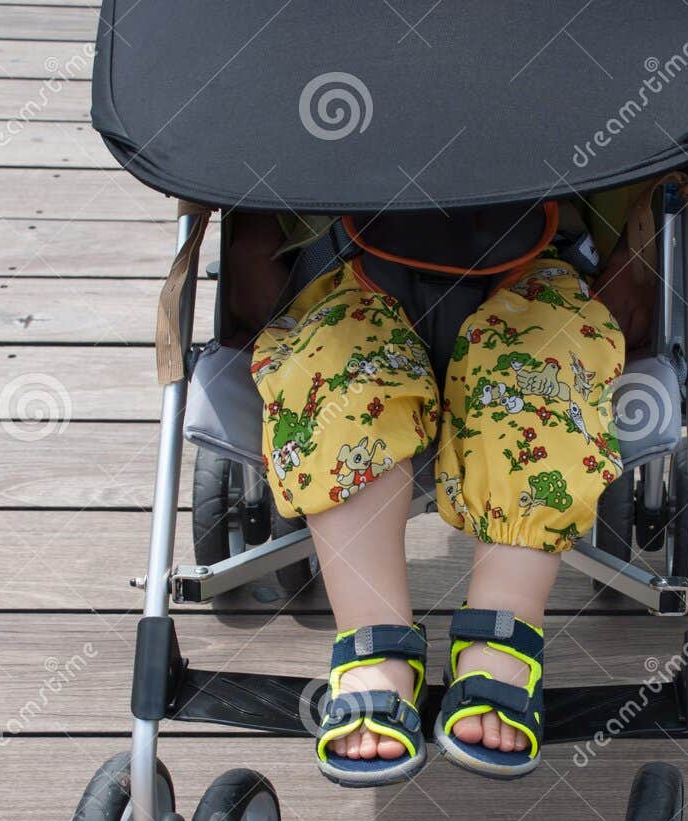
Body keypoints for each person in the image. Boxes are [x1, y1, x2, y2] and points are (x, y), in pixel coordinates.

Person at [224, 191, 653, 786]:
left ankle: (502, 630)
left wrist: (636, 249)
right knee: (339, 392)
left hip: (537, 259)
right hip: (349, 263)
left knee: (539, 388)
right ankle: (374, 639)